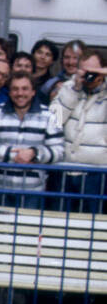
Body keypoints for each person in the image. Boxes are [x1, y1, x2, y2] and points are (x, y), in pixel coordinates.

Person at [0, 71, 64, 209]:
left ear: (33, 92)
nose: (20, 93)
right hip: (0, 188)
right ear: (9, 92)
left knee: (29, 229)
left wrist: (34, 153)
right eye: (15, 89)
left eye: (25, 88)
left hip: (33, 191)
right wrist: (15, 155)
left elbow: (59, 151)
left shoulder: (50, 115)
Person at [52, 47, 107, 211]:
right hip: (65, 170)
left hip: (96, 175)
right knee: (59, 223)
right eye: (85, 70)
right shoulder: (68, 88)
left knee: (91, 226)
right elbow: (55, 121)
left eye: (93, 71)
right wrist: (74, 91)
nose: (89, 76)